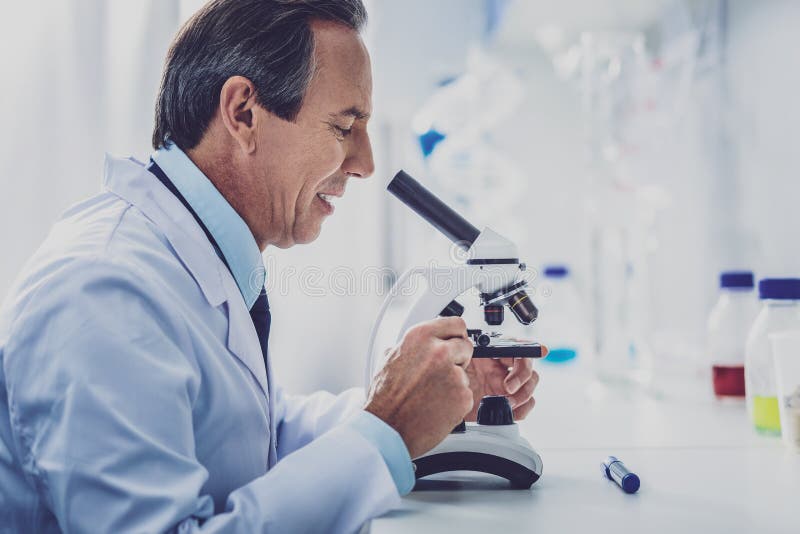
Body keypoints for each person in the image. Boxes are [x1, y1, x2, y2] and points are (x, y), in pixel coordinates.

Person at [0, 0, 540, 531]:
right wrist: (388, 428)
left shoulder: (193, 255)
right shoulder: (107, 293)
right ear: (243, 113)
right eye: (343, 126)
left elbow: (257, 437)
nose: (366, 164)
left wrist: (424, 404)